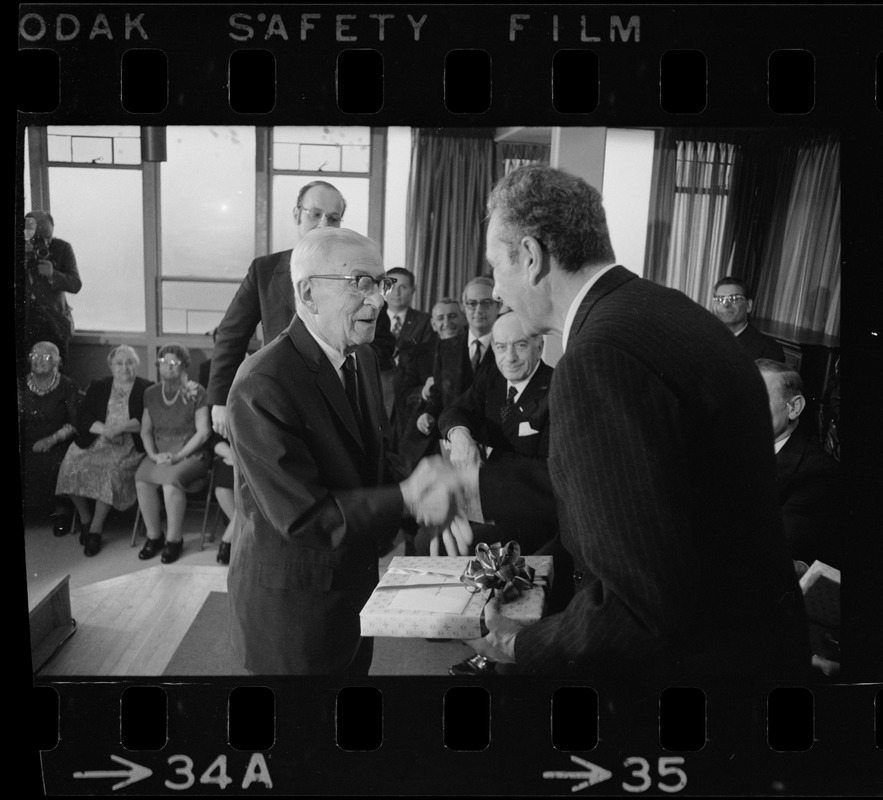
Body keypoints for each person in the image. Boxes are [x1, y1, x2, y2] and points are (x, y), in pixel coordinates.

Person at [463, 164, 810, 682]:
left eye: (496, 269)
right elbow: (649, 492)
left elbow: (636, 610)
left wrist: (523, 643)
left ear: (532, 257)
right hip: (760, 646)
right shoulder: (673, 310)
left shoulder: (596, 357)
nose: (497, 294)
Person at [225, 227, 464, 676]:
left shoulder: (364, 358)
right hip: (293, 616)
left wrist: (433, 500)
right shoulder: (262, 383)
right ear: (308, 292)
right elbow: (303, 516)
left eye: (382, 283)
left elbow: (375, 462)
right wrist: (411, 496)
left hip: (353, 592)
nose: (378, 301)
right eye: (361, 283)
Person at [206, 180, 394, 439]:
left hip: (340, 392)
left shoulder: (360, 271)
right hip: (281, 393)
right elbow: (232, 334)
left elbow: (380, 340)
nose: (323, 224)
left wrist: (350, 367)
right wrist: (218, 399)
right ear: (297, 214)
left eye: (333, 218)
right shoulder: (265, 270)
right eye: (315, 214)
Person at [427, 311, 557, 556]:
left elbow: (549, 473)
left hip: (530, 511)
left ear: (539, 346)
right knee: (427, 538)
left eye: (520, 345)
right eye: (500, 347)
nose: (510, 358)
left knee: (448, 547)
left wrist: (483, 456)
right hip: (483, 503)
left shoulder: (556, 387)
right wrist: (459, 435)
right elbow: (455, 411)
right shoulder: (491, 377)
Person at [56, 345, 151, 557]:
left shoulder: (146, 387)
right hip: (96, 439)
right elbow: (83, 416)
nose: (125, 367)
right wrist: (105, 430)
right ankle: (85, 518)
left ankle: (95, 529)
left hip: (128, 445)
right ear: (111, 366)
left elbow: (145, 422)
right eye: (119, 363)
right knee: (69, 467)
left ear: (136, 365)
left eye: (129, 362)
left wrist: (120, 428)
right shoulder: (99, 385)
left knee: (110, 472)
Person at [757, 359, 844, 568]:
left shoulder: (818, 473)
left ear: (794, 407)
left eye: (756, 399)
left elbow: (774, 553)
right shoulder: (726, 445)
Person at [135, 344, 211, 565]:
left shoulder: (197, 391)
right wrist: (152, 455)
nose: (168, 368)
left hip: (191, 453)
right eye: (163, 363)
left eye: (174, 364)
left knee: (170, 481)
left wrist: (177, 457)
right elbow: (145, 431)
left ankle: (174, 540)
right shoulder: (150, 393)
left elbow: (204, 432)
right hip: (159, 453)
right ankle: (154, 537)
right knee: (142, 479)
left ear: (184, 366)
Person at [18, 341, 80, 533]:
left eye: (46, 357)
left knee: (57, 462)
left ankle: (62, 511)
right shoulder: (21, 384)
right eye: (34, 356)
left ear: (57, 361)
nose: (39, 361)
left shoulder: (67, 385)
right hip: (28, 439)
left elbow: (75, 422)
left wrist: (52, 439)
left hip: (59, 439)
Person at [379, 267, 434, 443]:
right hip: (379, 391)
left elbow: (426, 360)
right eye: (391, 286)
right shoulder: (373, 318)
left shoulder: (425, 320)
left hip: (411, 396)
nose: (397, 292)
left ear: (413, 290)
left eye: (403, 287)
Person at [22, 210, 82, 366]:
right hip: (26, 323)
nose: (45, 243)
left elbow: (76, 284)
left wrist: (52, 274)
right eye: (38, 238)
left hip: (56, 323)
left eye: (48, 237)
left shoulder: (63, 248)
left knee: (58, 371)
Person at [711, 276, 786, 362]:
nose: (726, 304)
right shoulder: (704, 339)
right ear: (713, 306)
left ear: (749, 305)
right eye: (720, 299)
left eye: (734, 299)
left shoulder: (769, 350)